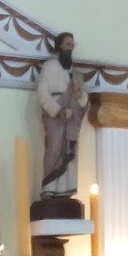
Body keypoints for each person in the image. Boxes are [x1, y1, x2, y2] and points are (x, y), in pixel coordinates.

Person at [37, 30, 88, 198]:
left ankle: (67, 189)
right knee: (54, 149)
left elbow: (84, 99)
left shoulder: (75, 73)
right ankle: (49, 188)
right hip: (56, 115)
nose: (71, 47)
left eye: (72, 44)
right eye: (68, 44)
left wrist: (80, 96)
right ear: (59, 46)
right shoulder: (49, 67)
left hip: (71, 116)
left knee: (70, 153)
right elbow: (43, 94)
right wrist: (58, 111)